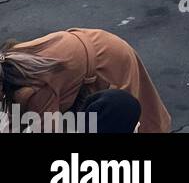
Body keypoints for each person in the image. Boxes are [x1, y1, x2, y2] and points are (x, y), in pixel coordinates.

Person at [1, 28, 171, 133]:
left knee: (122, 117)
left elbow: (48, 129)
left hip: (110, 61)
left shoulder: (37, 90)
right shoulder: (8, 60)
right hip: (95, 43)